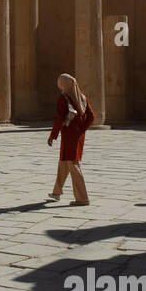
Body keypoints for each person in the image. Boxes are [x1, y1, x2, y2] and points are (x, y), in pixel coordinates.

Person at [47, 73, 95, 205]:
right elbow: (91, 116)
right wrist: (81, 129)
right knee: (64, 161)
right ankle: (57, 192)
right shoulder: (82, 98)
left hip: (69, 135)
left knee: (73, 164)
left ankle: (82, 198)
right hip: (78, 135)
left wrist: (53, 135)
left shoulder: (64, 98)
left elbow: (59, 118)